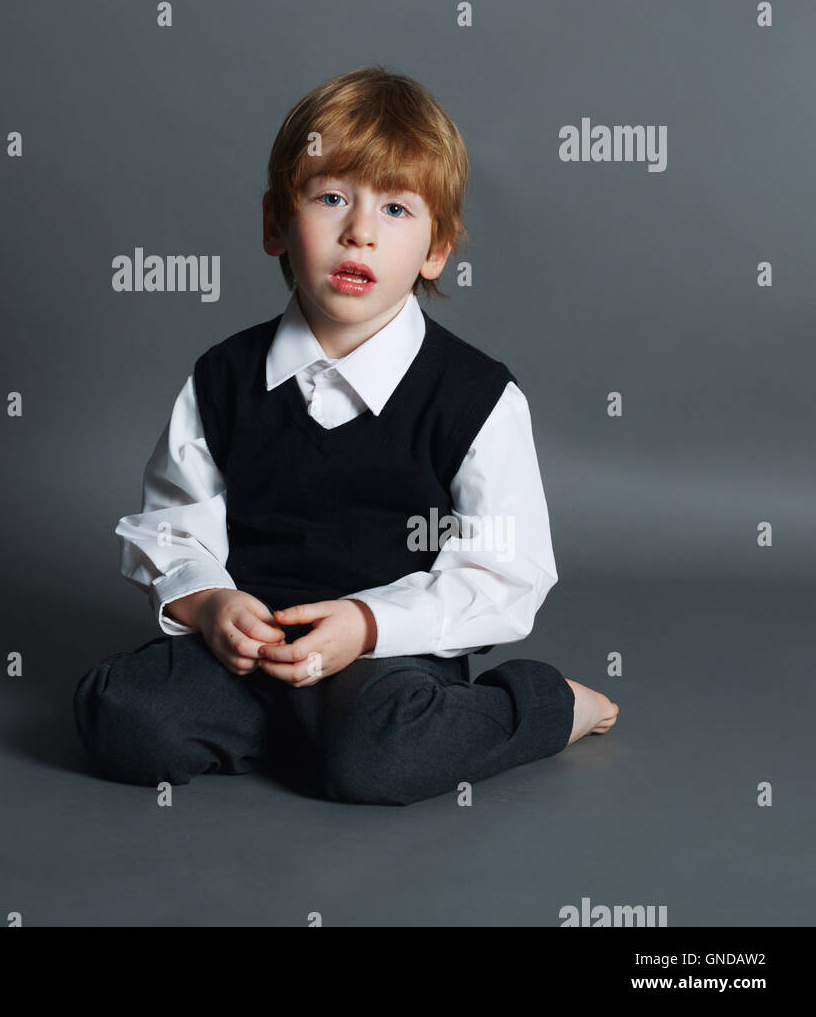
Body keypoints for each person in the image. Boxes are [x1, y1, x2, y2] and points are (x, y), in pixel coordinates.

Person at [72, 65, 618, 805]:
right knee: (121, 717)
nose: (359, 230)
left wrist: (365, 625)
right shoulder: (224, 378)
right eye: (330, 199)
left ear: (437, 249)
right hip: (254, 649)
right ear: (274, 224)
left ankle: (547, 707)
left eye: (396, 210)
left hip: (390, 657)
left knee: (379, 752)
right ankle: (302, 730)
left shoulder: (474, 397)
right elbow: (174, 526)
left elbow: (503, 570)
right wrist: (210, 605)